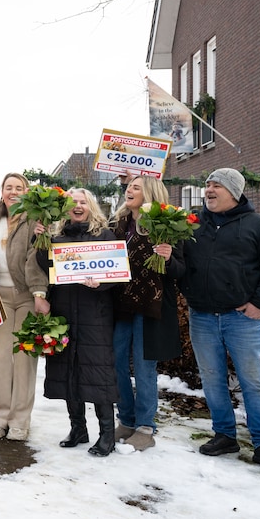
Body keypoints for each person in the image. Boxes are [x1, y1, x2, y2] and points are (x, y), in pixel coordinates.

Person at [181, 168, 260, 472]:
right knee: (212, 379)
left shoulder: (258, 225)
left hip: (241, 319)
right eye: (207, 185)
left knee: (253, 382)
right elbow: (180, 264)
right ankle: (225, 435)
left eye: (217, 185)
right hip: (201, 316)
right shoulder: (191, 225)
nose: (209, 190)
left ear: (234, 191)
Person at [37, 189, 120, 456]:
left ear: (91, 206)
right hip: (64, 313)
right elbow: (45, 266)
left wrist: (101, 283)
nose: (78, 206)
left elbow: (117, 273)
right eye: (72, 202)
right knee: (68, 371)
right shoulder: (57, 238)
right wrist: (39, 240)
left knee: (98, 375)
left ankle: (107, 435)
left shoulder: (104, 236)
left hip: (95, 316)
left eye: (83, 202)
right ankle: (78, 428)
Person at [110, 175, 183, 451]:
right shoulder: (118, 224)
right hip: (120, 305)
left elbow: (181, 270)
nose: (129, 190)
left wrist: (168, 257)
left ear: (149, 193)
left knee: (143, 366)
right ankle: (126, 420)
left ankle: (145, 425)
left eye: (136, 187)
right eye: (129, 186)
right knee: (116, 363)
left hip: (151, 307)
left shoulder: (164, 227)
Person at [0, 173, 48, 441]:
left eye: (19, 187)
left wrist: (39, 293)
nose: (14, 192)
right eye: (9, 187)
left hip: (29, 295)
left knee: (24, 360)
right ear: (2, 191)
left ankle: (20, 420)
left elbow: (36, 259)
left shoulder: (35, 220)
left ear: (27, 192)